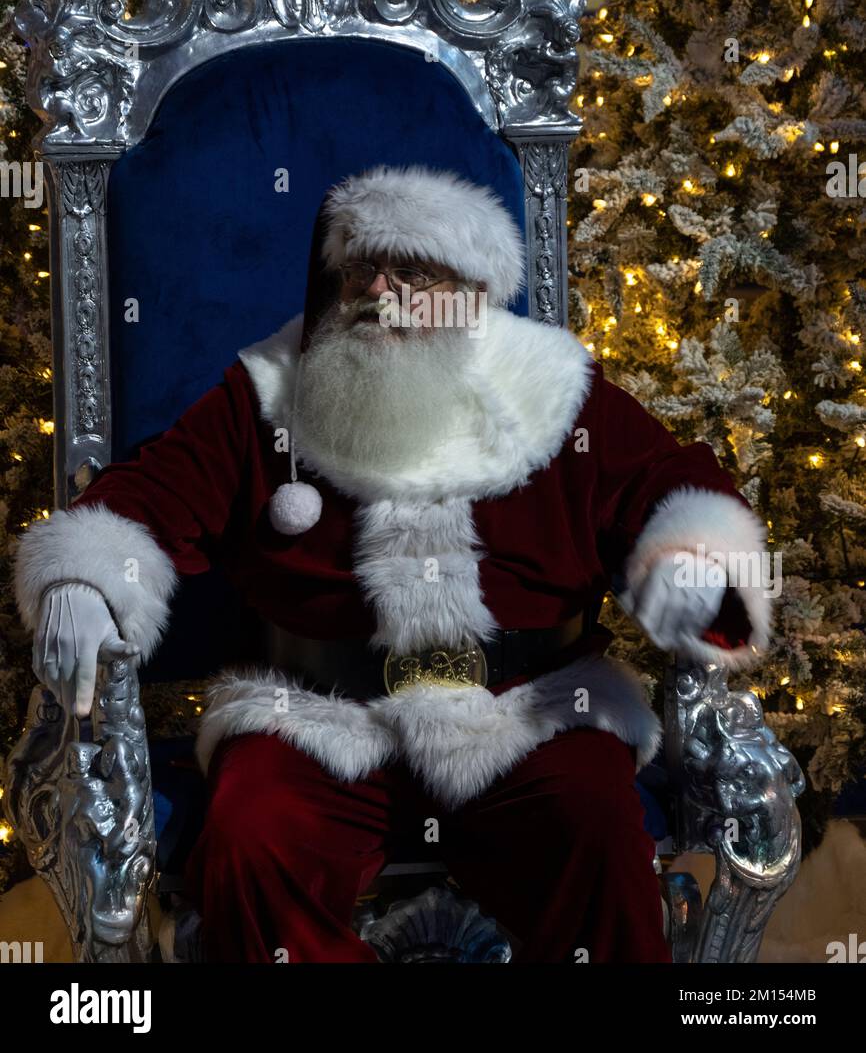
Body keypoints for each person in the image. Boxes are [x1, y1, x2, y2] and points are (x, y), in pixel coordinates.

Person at [14, 163, 771, 963]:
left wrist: (695, 556)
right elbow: (153, 492)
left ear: (470, 291)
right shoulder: (269, 388)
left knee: (598, 837)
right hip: (316, 714)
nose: (380, 288)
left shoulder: (557, 391)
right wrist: (84, 575)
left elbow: (667, 482)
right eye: (360, 268)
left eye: (411, 270)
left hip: (527, 711)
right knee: (252, 839)